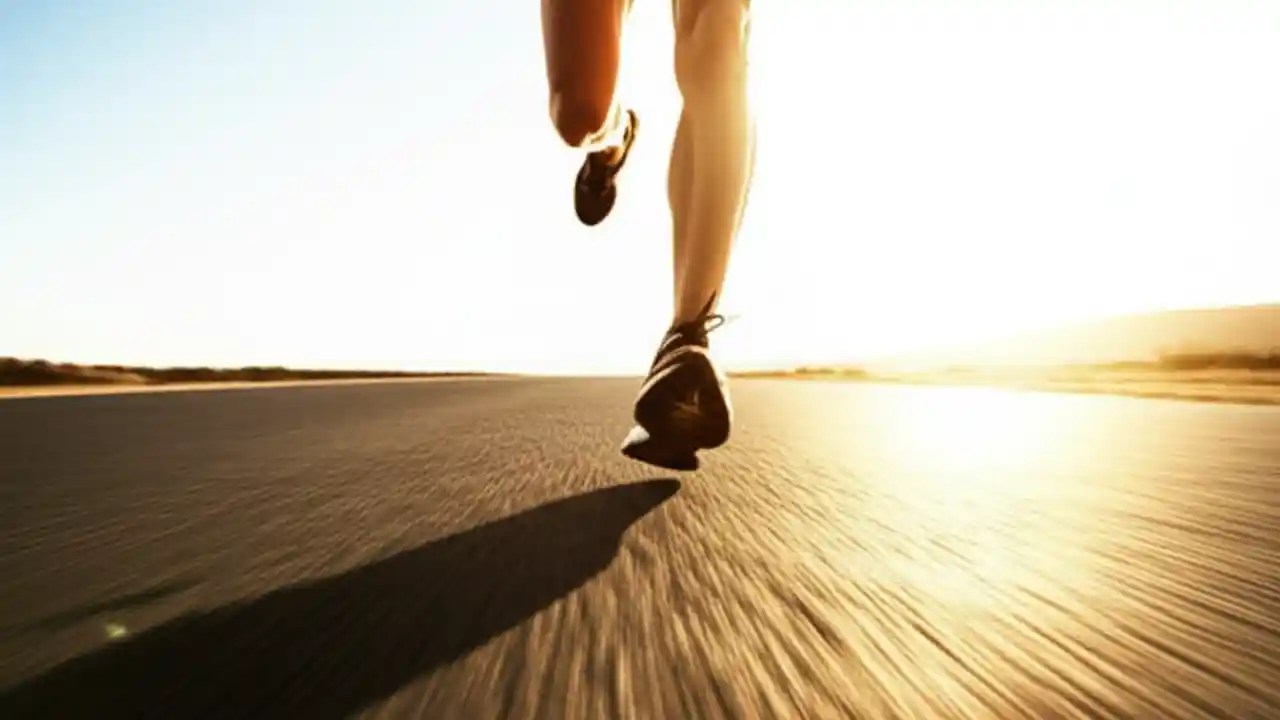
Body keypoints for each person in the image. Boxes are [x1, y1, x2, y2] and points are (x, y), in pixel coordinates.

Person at [541, 0, 755, 471]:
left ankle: (687, 336)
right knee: (579, 112)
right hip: (591, 121)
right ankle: (614, 140)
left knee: (718, 31)